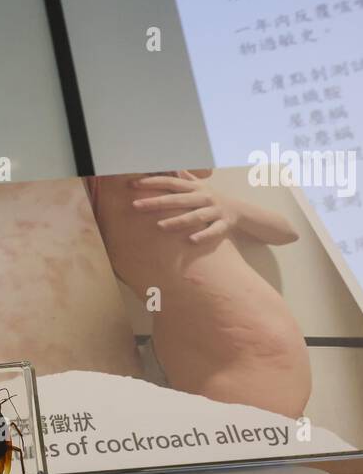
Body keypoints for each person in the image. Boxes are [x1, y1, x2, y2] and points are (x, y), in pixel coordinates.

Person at [85, 169, 311, 419]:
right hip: (173, 355)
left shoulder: (186, 191)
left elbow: (287, 232)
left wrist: (230, 207)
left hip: (248, 359)